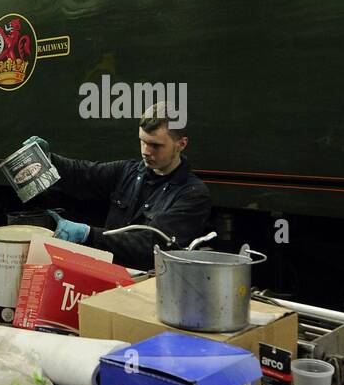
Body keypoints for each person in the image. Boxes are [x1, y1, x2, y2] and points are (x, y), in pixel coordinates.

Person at [36, 105, 212, 270]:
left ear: (181, 144)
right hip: (109, 274)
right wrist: (49, 160)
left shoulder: (193, 195)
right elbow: (83, 174)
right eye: (143, 141)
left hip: (148, 285)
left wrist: (88, 234)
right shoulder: (128, 172)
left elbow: (150, 246)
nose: (146, 151)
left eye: (156, 145)